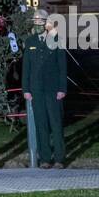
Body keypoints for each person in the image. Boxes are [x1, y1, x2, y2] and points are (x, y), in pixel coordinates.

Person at [21, 9, 67, 168]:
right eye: (36, 21)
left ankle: (60, 158)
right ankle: (45, 158)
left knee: (56, 123)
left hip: (53, 89)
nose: (38, 24)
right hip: (36, 89)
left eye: (41, 21)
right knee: (41, 124)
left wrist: (62, 88)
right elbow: (26, 67)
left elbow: (62, 66)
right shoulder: (30, 41)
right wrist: (26, 89)